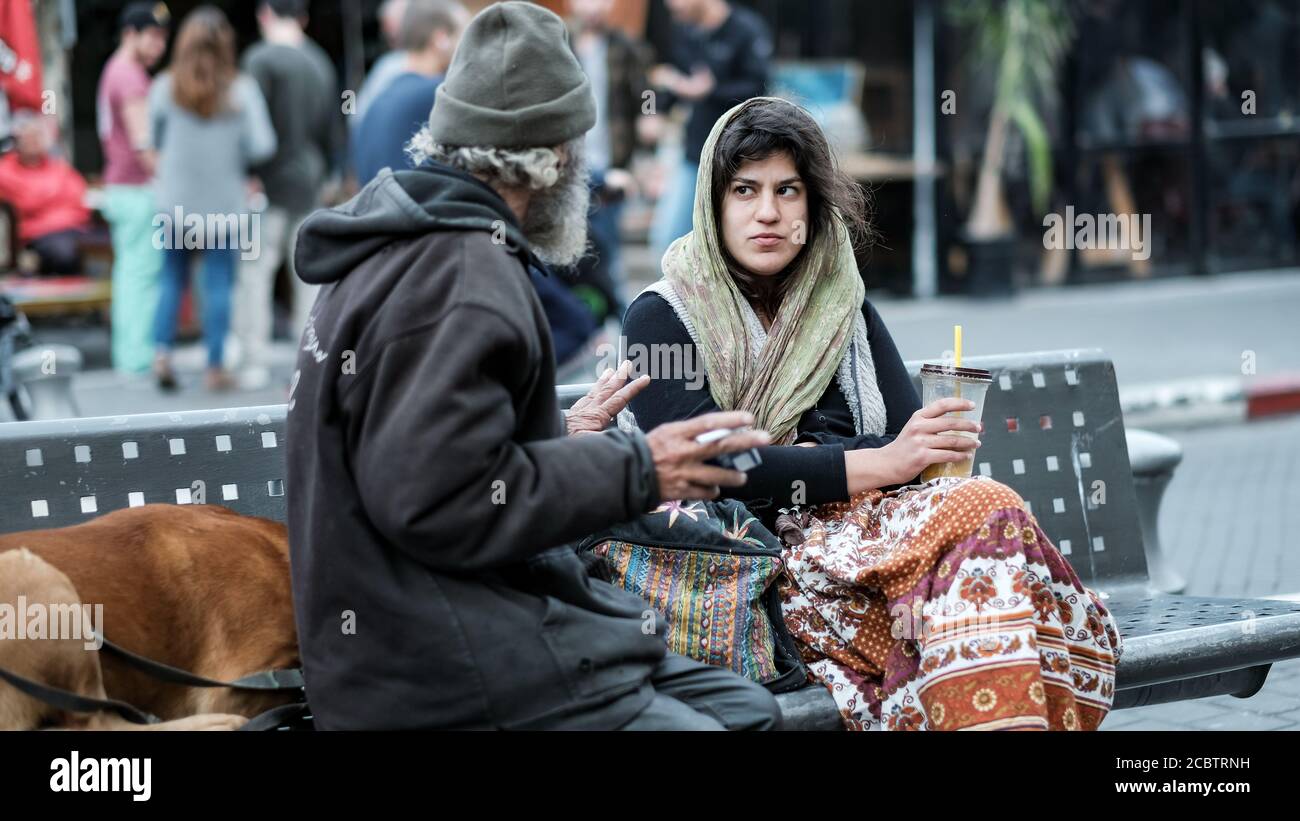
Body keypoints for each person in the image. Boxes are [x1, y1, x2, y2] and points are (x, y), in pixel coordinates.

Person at [287, 2, 780, 731]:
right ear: (550, 158)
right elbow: (438, 497)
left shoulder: (407, 250)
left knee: (745, 705)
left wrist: (559, 432)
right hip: (436, 667)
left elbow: (428, 448)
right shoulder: (463, 276)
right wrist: (638, 468)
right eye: (577, 147)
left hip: (435, 636)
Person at [623, 96, 1123, 731]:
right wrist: (871, 458)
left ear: (813, 204)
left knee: (978, 572)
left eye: (788, 190)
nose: (768, 212)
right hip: (751, 572)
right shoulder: (663, 316)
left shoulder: (841, 304)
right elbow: (711, 468)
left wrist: (823, 458)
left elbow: (909, 440)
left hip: (869, 554)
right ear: (712, 202)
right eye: (744, 190)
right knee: (985, 523)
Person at [148, 6, 276, 392]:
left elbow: (154, 141)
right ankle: (214, 366)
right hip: (222, 208)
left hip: (175, 206)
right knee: (219, 284)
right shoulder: (241, 91)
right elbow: (263, 145)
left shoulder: (165, 88)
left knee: (171, 280)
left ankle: (162, 355)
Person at [237, 0, 340, 390]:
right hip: (310, 181)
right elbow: (332, 132)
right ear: (303, 18)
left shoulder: (258, 61)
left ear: (264, 14)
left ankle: (253, 364)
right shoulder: (321, 63)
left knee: (254, 275)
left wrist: (247, 173)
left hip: (264, 186)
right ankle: (309, 364)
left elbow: (247, 130)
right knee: (309, 280)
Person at [647, 0, 770, 262]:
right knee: (665, 238)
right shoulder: (683, 31)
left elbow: (760, 88)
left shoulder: (746, 29)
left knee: (732, 243)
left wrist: (709, 92)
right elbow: (657, 79)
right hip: (694, 155)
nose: (671, 6)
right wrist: (650, 111)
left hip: (739, 158)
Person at [565, 0, 651, 325]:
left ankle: (614, 318)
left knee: (606, 246)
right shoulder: (562, 44)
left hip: (612, 166)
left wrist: (649, 117)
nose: (594, 7)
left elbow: (645, 93)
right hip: (570, 168)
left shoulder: (624, 47)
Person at [95, 2, 170, 373]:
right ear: (130, 34)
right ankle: (136, 360)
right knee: (141, 277)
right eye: (152, 35)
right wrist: (171, 182)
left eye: (163, 37)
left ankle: (131, 357)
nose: (159, 44)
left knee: (131, 275)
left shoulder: (117, 70)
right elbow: (144, 144)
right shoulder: (129, 75)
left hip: (123, 189)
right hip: (137, 190)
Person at [351, 0, 467, 187]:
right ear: (441, 38)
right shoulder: (437, 94)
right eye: (461, 34)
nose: (465, 47)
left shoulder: (385, 89)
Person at [0, 112, 93, 275]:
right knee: (64, 252)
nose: (33, 141)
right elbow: (28, 202)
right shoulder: (6, 171)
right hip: (37, 234)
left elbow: (80, 196)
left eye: (37, 136)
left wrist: (49, 199)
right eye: (28, 136)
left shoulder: (58, 167)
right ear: (17, 141)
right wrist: (54, 199)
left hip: (74, 227)